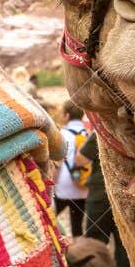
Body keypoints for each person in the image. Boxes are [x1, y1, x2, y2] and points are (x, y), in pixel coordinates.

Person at [53, 100, 91, 238]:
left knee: (49, 219)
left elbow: (57, 163)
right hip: (83, 187)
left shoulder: (62, 135)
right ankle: (77, 249)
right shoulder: (88, 134)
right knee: (77, 226)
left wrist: (51, 183)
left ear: (67, 115)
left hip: (63, 187)